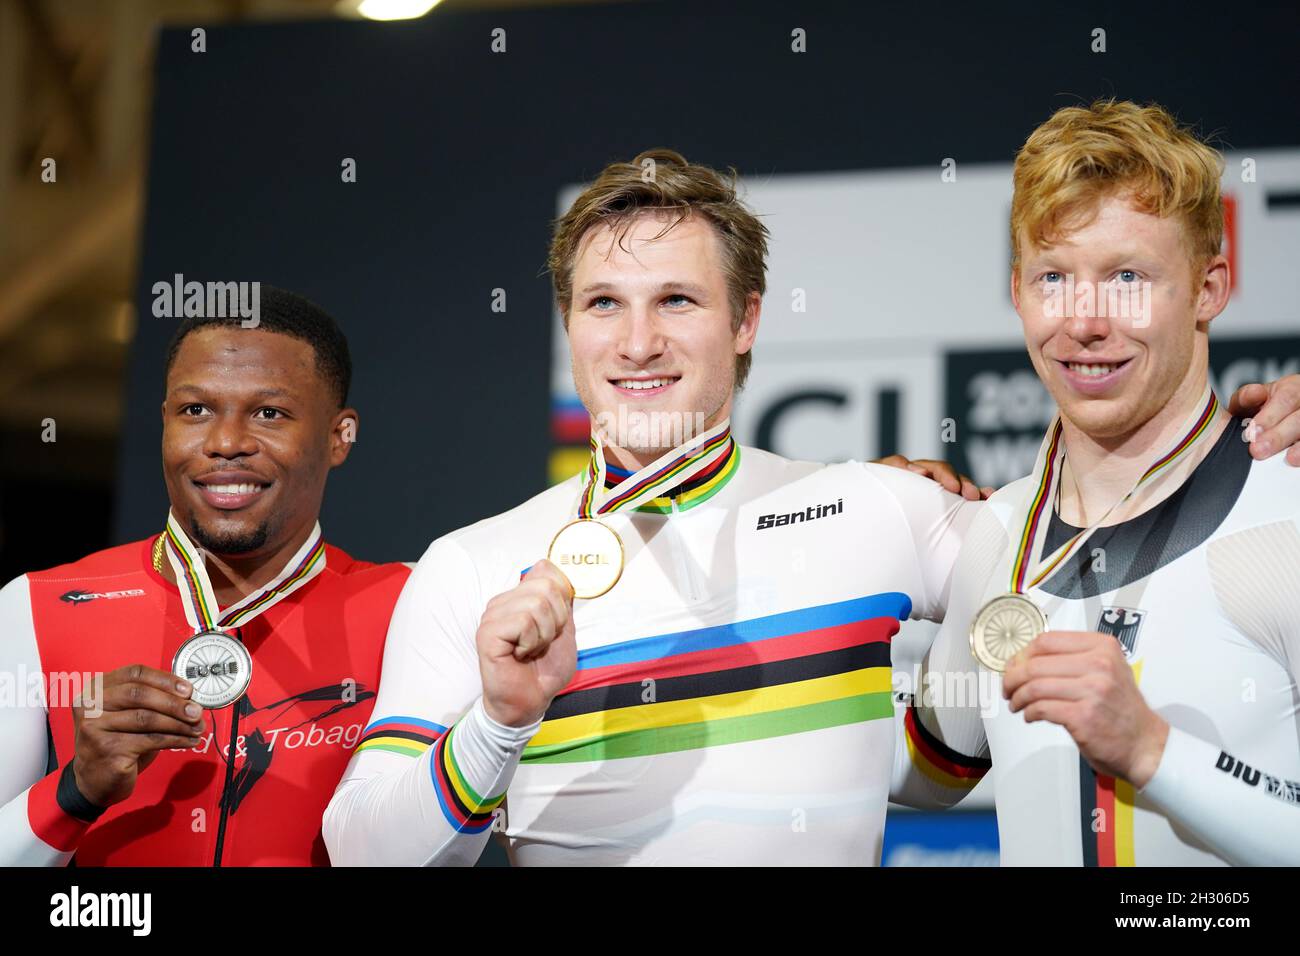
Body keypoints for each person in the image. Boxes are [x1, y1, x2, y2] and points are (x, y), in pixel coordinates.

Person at [323, 149, 1300, 866]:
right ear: (568, 322)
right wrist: (495, 719)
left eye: (677, 300)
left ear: (746, 318)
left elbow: (1114, 535)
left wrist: (1266, 426)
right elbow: (360, 849)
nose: (637, 342)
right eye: (603, 304)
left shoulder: (881, 510)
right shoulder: (474, 562)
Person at [891, 100, 1300, 865]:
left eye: (1127, 277)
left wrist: (1152, 751)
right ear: (1017, 292)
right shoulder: (1003, 531)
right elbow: (924, 774)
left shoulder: (1289, 510)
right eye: (1054, 277)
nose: (1084, 322)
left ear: (1210, 287)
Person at [0, 287, 410, 865]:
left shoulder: (410, 605)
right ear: (164, 419)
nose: (225, 444)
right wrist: (75, 789)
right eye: (195, 410)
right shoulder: (38, 606)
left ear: (339, 436)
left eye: (270, 413)